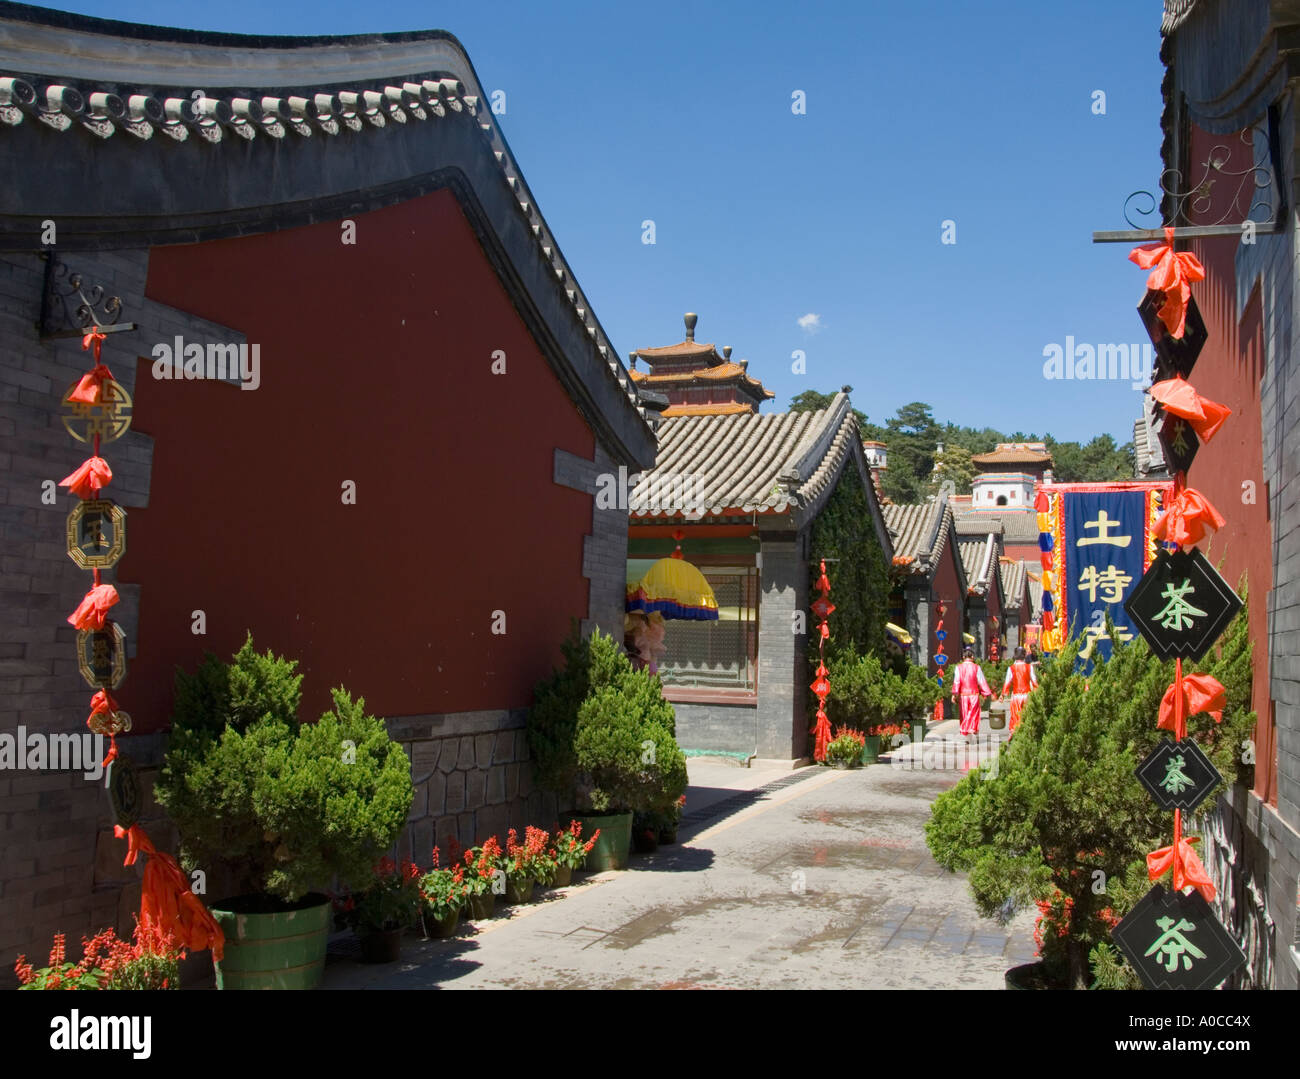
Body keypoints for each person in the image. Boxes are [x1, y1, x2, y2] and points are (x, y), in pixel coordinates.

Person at [951, 647, 992, 737]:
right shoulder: (976, 667)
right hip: (974, 694)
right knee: (974, 713)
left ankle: (965, 730)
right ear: (972, 656)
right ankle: (972, 729)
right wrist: (986, 693)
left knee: (964, 713)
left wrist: (955, 694)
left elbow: (957, 681)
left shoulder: (959, 668)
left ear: (963, 657)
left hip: (963, 695)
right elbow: (981, 681)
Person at [1001, 646, 1038, 732]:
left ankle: (1015, 734)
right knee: (1027, 716)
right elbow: (1034, 682)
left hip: (1016, 696)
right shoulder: (1029, 667)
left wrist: (1003, 695)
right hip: (1027, 696)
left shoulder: (1011, 668)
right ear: (1024, 655)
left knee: (1016, 716)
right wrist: (1037, 693)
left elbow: (1007, 683)